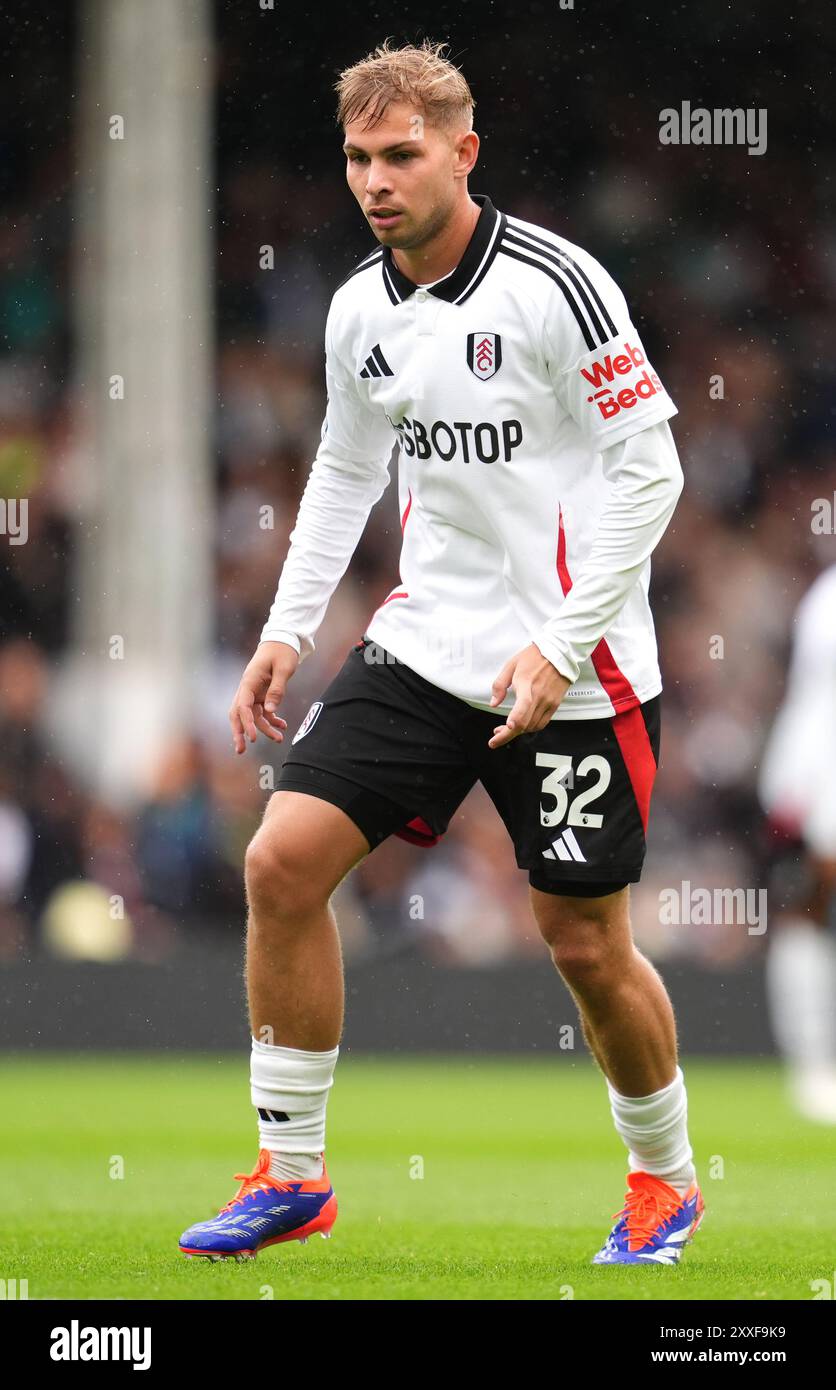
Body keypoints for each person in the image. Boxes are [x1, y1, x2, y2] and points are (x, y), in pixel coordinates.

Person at [179, 38, 701, 1267]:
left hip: (578, 668)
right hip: (424, 645)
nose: (374, 179)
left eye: (400, 154)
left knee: (582, 941)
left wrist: (557, 643)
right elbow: (346, 468)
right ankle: (291, 1175)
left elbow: (652, 471)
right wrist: (286, 626)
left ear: (462, 153)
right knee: (280, 863)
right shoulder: (358, 307)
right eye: (357, 157)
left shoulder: (556, 286)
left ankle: (662, 1182)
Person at [757, 562, 836, 1123]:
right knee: (811, 907)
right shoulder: (828, 597)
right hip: (820, 770)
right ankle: (811, 1062)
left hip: (806, 762)